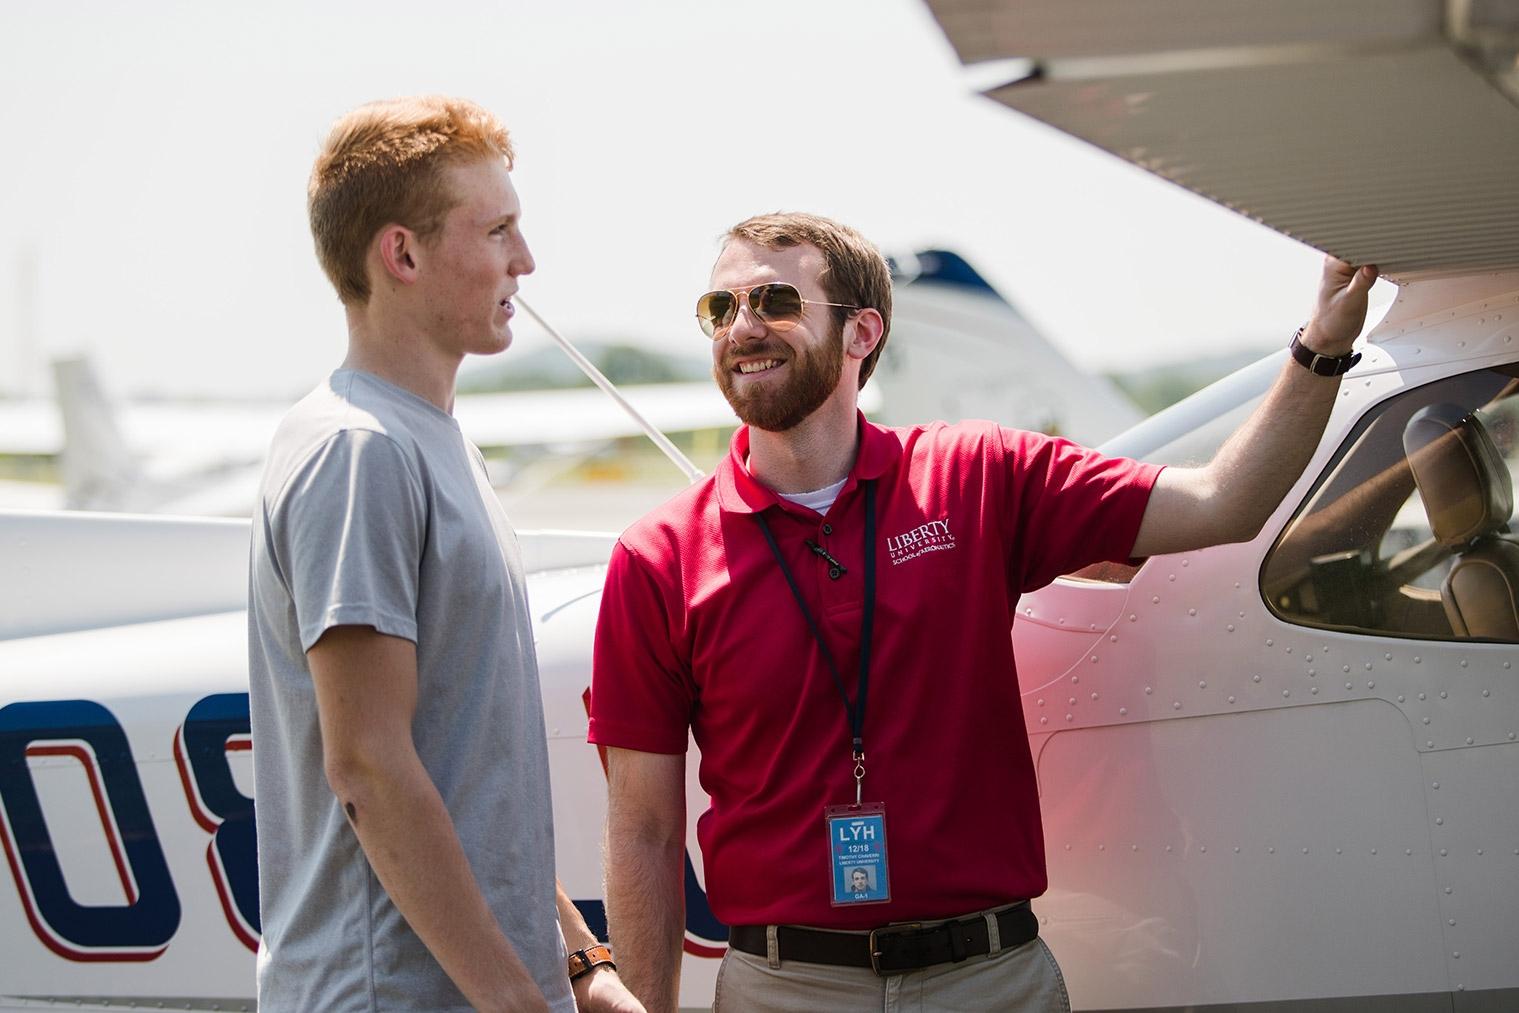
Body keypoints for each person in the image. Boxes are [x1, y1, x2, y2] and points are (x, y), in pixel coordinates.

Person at [589, 211, 1376, 1011]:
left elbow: (1221, 503)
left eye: (774, 300)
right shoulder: (655, 556)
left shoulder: (980, 474)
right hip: (783, 987)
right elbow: (643, 833)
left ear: (861, 332)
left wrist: (1321, 344)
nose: (742, 327)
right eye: (719, 309)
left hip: (987, 978)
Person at [248, 96, 642, 1013]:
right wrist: (517, 1001)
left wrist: (581, 963)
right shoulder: (360, 450)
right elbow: (372, 769)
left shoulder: (434, 442)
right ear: (403, 254)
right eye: (498, 229)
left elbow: (459, 769)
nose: (526, 260)